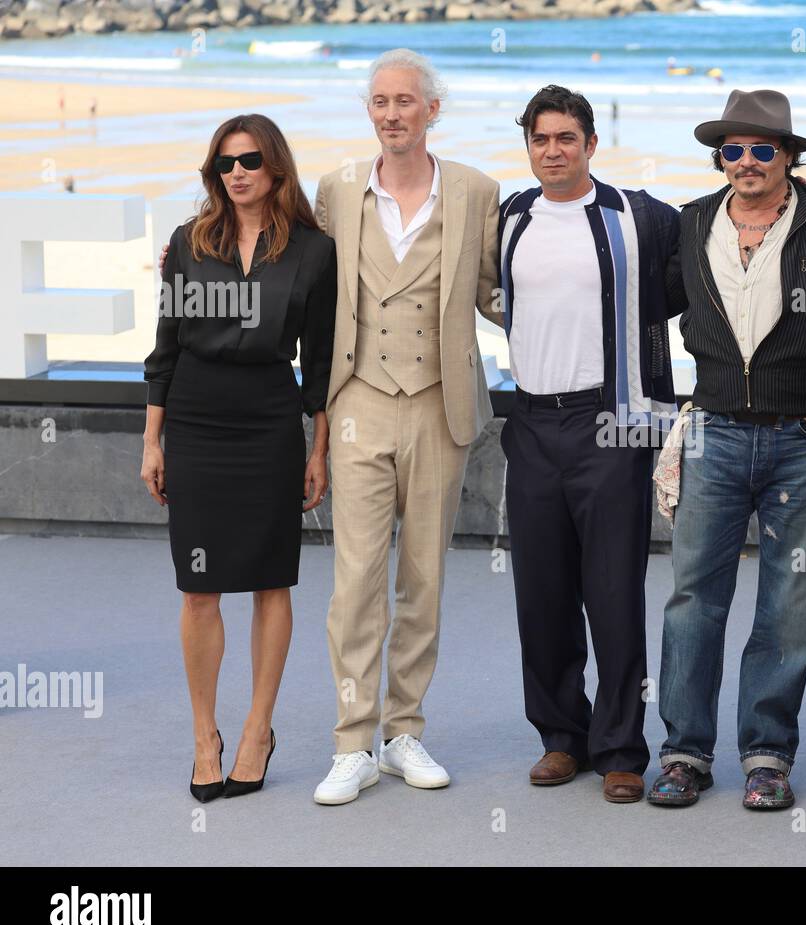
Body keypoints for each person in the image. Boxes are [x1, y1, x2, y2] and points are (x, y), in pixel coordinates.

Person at [647, 89, 806, 811]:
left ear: (788, 156)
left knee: (790, 607)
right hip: (717, 431)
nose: (747, 162)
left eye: (763, 149)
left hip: (803, 438)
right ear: (719, 159)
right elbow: (636, 295)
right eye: (732, 150)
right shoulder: (693, 221)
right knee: (694, 598)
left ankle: (767, 755)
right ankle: (684, 755)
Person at [310, 49, 501, 805]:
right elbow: (299, 278)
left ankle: (404, 733)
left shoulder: (477, 192)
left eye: (406, 101)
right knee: (356, 581)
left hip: (439, 401)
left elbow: (498, 292)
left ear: (433, 109)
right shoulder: (336, 190)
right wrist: (193, 254)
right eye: (381, 101)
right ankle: (352, 743)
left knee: (423, 575)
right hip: (357, 400)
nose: (392, 113)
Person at [142, 113, 336, 802]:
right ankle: (205, 736)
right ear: (214, 173)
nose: (238, 172)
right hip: (195, 420)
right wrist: (151, 440)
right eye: (225, 163)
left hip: (269, 422)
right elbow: (163, 349)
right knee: (199, 590)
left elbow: (318, 365)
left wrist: (319, 451)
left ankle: (258, 728)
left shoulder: (314, 252)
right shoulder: (187, 243)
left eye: (250, 159)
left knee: (269, 582)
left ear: (275, 166)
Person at [496, 85, 682, 804]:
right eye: (541, 139)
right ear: (530, 147)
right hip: (533, 423)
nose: (553, 151)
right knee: (539, 594)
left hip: (613, 423)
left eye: (566, 138)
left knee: (613, 593)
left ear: (591, 144)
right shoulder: (513, 216)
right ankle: (560, 738)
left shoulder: (638, 216)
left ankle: (620, 749)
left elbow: (709, 251)